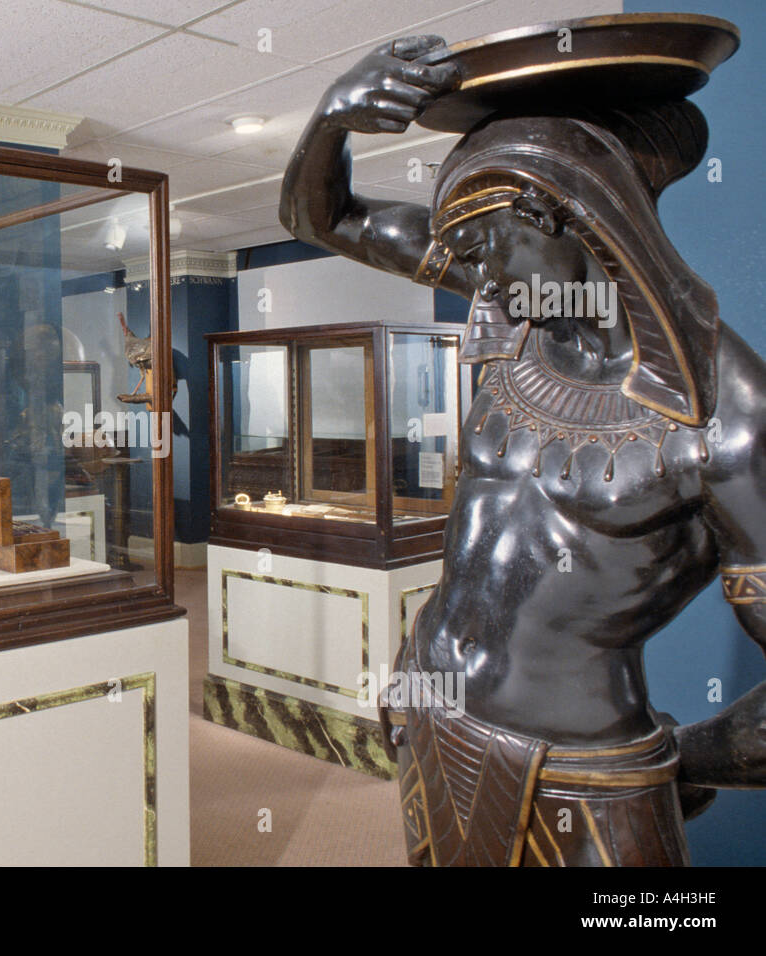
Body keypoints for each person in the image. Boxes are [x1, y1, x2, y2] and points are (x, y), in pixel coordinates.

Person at [280, 34, 766, 865]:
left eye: (482, 243)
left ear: (565, 215)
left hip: (587, 769)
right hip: (434, 712)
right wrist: (331, 118)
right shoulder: (522, 308)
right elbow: (322, 218)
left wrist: (680, 760)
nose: (468, 272)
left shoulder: (728, 414)